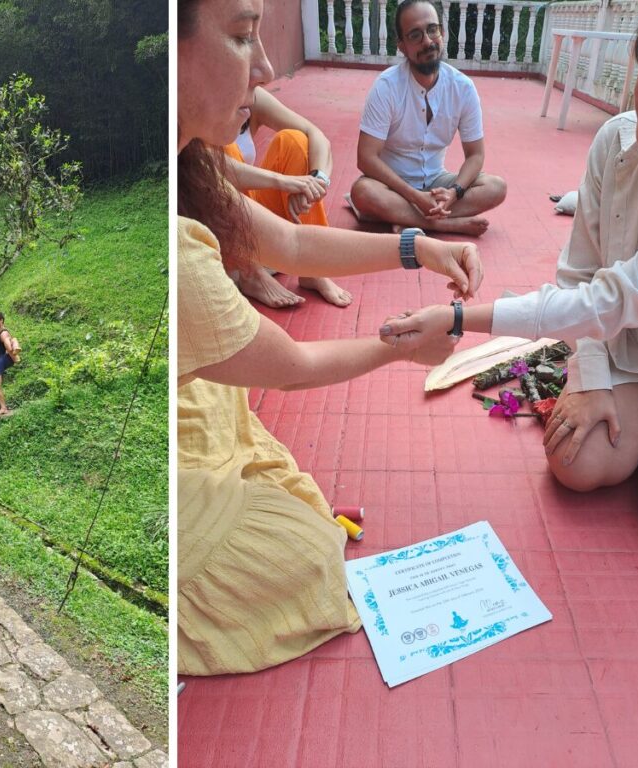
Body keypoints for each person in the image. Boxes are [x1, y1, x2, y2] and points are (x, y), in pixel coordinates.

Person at [177, 0, 482, 676]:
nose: (264, 66)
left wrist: (417, 245)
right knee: (313, 551)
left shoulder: (194, 166)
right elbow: (289, 366)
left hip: (212, 397)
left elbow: (287, 237)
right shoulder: (177, 242)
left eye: (259, 37)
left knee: (302, 505)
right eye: (239, 38)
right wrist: (404, 345)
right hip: (192, 418)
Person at [379, 0, 638, 542]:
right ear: (402, 46)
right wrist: (590, 376)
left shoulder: (460, 86)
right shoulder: (615, 139)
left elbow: (602, 301)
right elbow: (580, 276)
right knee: (575, 461)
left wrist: (456, 316)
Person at [348, 0, 507, 236]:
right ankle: (443, 223)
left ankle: (404, 217)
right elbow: (366, 158)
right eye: (415, 35)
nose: (427, 41)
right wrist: (414, 197)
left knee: (496, 187)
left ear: (442, 32)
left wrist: (454, 192)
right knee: (362, 192)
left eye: (432, 30)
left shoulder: (463, 88)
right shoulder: (386, 87)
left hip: (437, 182)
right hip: (393, 186)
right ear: (401, 46)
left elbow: (476, 155)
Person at [223, 86, 353, 308]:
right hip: (220, 228)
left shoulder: (250, 95)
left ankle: (312, 266)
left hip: (251, 217)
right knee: (227, 148)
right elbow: (211, 168)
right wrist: (283, 181)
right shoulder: (196, 98)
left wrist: (314, 183)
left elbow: (316, 135)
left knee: (294, 140)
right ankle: (250, 273)